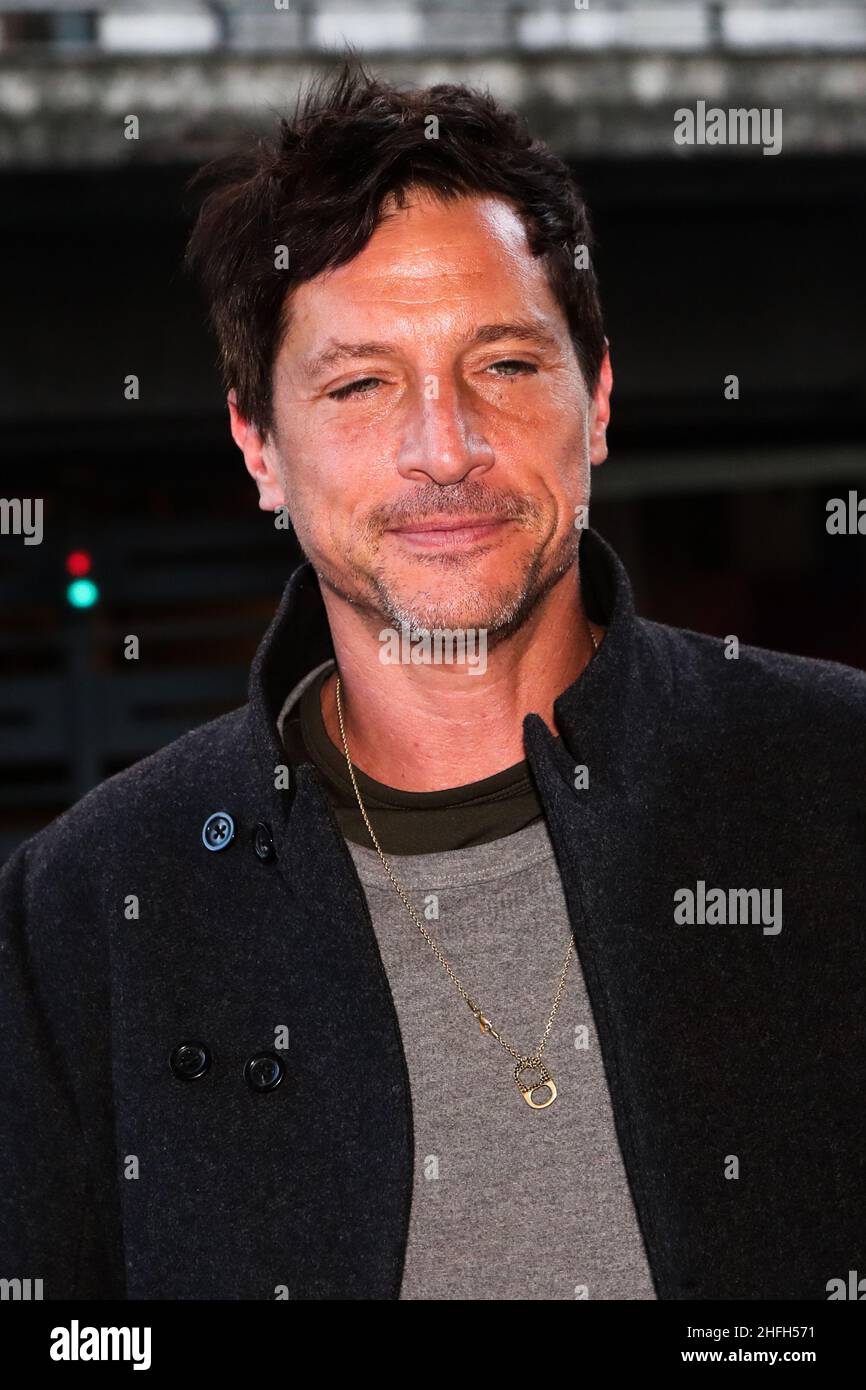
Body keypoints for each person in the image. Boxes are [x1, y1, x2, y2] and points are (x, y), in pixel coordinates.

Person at [1, 62, 864, 1302]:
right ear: (259, 448)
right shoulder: (80, 916)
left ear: (599, 397)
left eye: (504, 365)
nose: (444, 448)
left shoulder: (835, 790)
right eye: (358, 385)